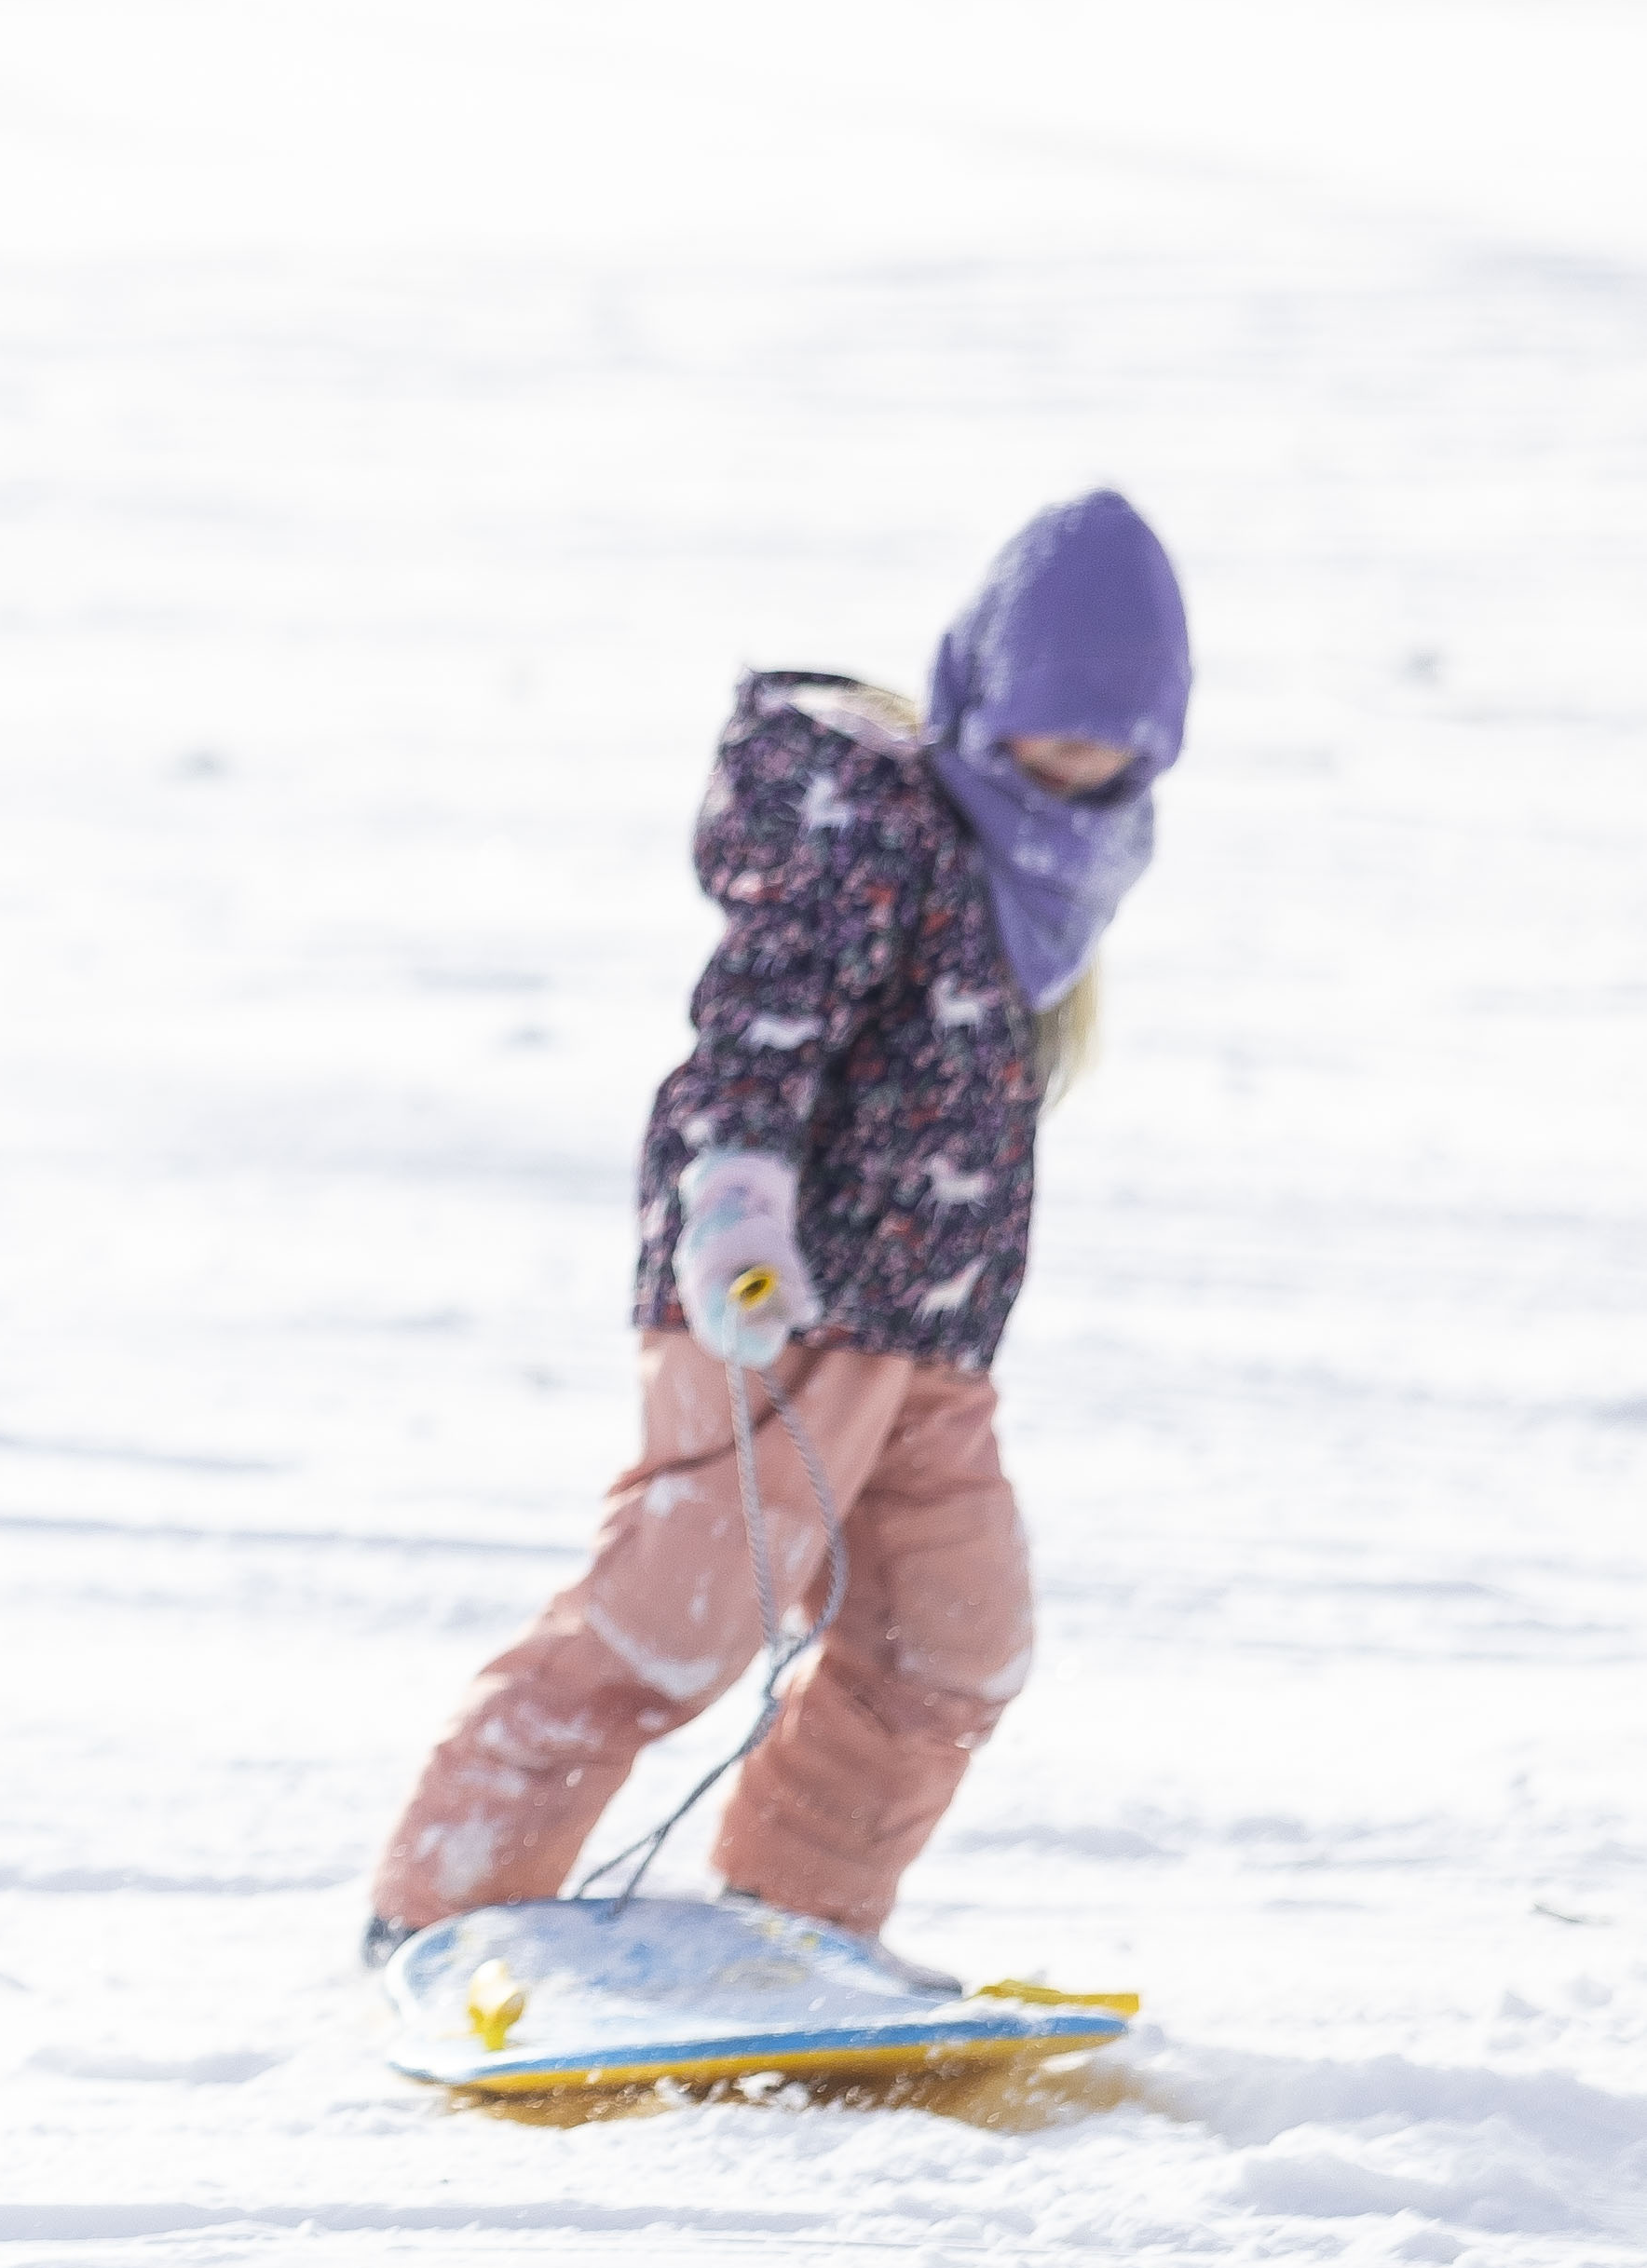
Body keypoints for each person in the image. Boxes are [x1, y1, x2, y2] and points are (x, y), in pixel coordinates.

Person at [366, 491, 1193, 1959]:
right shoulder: (876, 831)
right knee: (678, 1616)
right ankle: (450, 1916)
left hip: (932, 1332)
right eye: (1047, 723)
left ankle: (793, 1924)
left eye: (1112, 729)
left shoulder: (1054, 874)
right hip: (775, 1288)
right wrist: (736, 1198)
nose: (1077, 757)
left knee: (957, 1638)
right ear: (976, 699)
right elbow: (758, 1020)